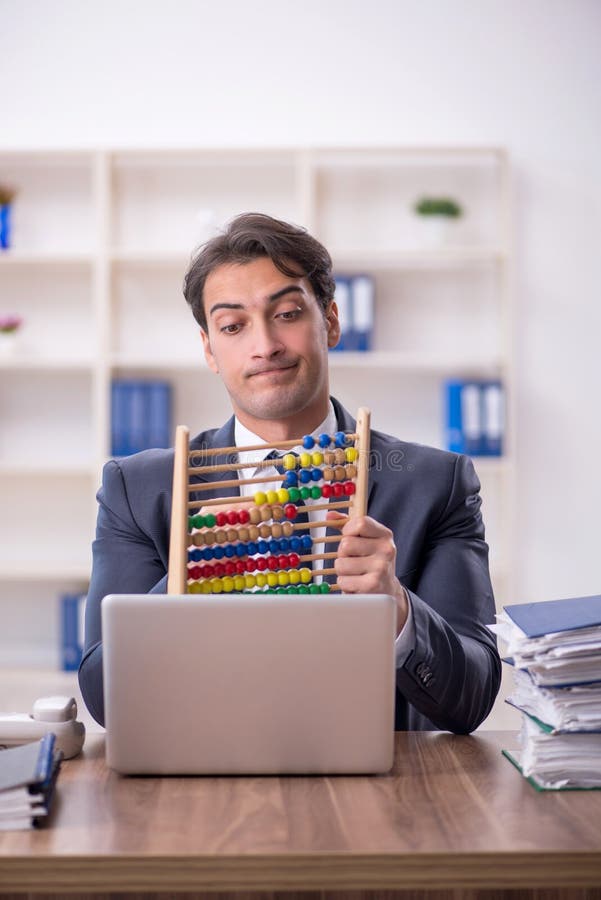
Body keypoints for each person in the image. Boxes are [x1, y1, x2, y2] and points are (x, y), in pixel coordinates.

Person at [79, 212, 501, 732]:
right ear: (210, 350)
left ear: (331, 320)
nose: (265, 346)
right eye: (233, 326)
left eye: (286, 313)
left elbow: (474, 697)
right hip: (200, 787)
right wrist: (195, 571)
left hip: (383, 794)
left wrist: (397, 606)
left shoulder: (436, 483)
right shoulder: (138, 492)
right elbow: (103, 697)